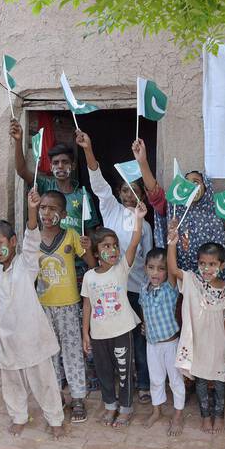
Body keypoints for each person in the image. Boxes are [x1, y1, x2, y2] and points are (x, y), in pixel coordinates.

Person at [77, 128, 154, 402]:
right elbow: (98, 184)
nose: (129, 195)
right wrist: (88, 149)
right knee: (112, 339)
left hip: (135, 289)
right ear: (119, 192)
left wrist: (148, 290)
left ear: (142, 195)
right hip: (109, 290)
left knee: (139, 338)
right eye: (125, 190)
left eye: (135, 191)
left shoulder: (144, 224)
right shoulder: (110, 209)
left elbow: (146, 257)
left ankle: (142, 384)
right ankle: (115, 386)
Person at [0, 188, 70, 438]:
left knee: (44, 379)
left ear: (12, 242)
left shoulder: (26, 264)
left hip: (32, 335)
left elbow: (32, 239)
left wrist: (33, 210)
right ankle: (19, 416)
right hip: (8, 337)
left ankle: (55, 419)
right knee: (11, 380)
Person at [81, 201, 147, 428]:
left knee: (124, 371)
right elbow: (87, 305)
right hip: (99, 334)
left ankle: (126, 408)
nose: (113, 250)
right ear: (96, 252)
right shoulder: (89, 277)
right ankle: (110, 405)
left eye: (115, 246)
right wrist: (85, 333)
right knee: (104, 372)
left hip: (122, 330)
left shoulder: (121, 268)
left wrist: (138, 219)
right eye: (106, 246)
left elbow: (134, 242)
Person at [168, 226, 225, 434]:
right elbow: (173, 269)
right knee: (202, 381)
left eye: (212, 264)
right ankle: (205, 416)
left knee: (220, 381)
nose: (206, 268)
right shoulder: (192, 281)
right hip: (198, 342)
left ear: (222, 265)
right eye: (202, 263)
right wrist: (172, 243)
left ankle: (219, 415)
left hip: (219, 343)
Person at [33, 189, 91, 424]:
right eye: (43, 207)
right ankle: (55, 395)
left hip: (68, 305)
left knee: (72, 351)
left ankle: (78, 397)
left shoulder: (71, 236)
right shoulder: (33, 239)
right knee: (50, 354)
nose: (47, 213)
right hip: (43, 307)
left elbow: (91, 263)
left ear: (64, 214)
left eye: (53, 208)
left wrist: (88, 247)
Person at [11, 119, 97, 238]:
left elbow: (90, 231)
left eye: (65, 162)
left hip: (76, 250)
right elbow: (21, 171)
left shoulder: (83, 195)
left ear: (73, 166)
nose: (60, 166)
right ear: (51, 167)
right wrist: (18, 141)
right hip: (48, 248)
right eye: (56, 163)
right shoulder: (44, 185)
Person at [139, 247, 185, 436]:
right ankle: (157, 411)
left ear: (167, 271)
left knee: (175, 381)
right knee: (156, 380)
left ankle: (178, 415)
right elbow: (143, 309)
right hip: (152, 344)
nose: (155, 272)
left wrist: (172, 243)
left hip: (170, 344)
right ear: (145, 268)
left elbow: (174, 268)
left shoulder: (170, 288)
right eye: (151, 267)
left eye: (161, 268)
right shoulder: (143, 289)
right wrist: (145, 324)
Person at [169, 170, 225, 273]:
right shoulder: (175, 213)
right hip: (181, 274)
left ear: (206, 187)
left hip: (208, 274)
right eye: (186, 182)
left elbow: (218, 253)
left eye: (195, 182)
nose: (191, 186)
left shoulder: (214, 218)